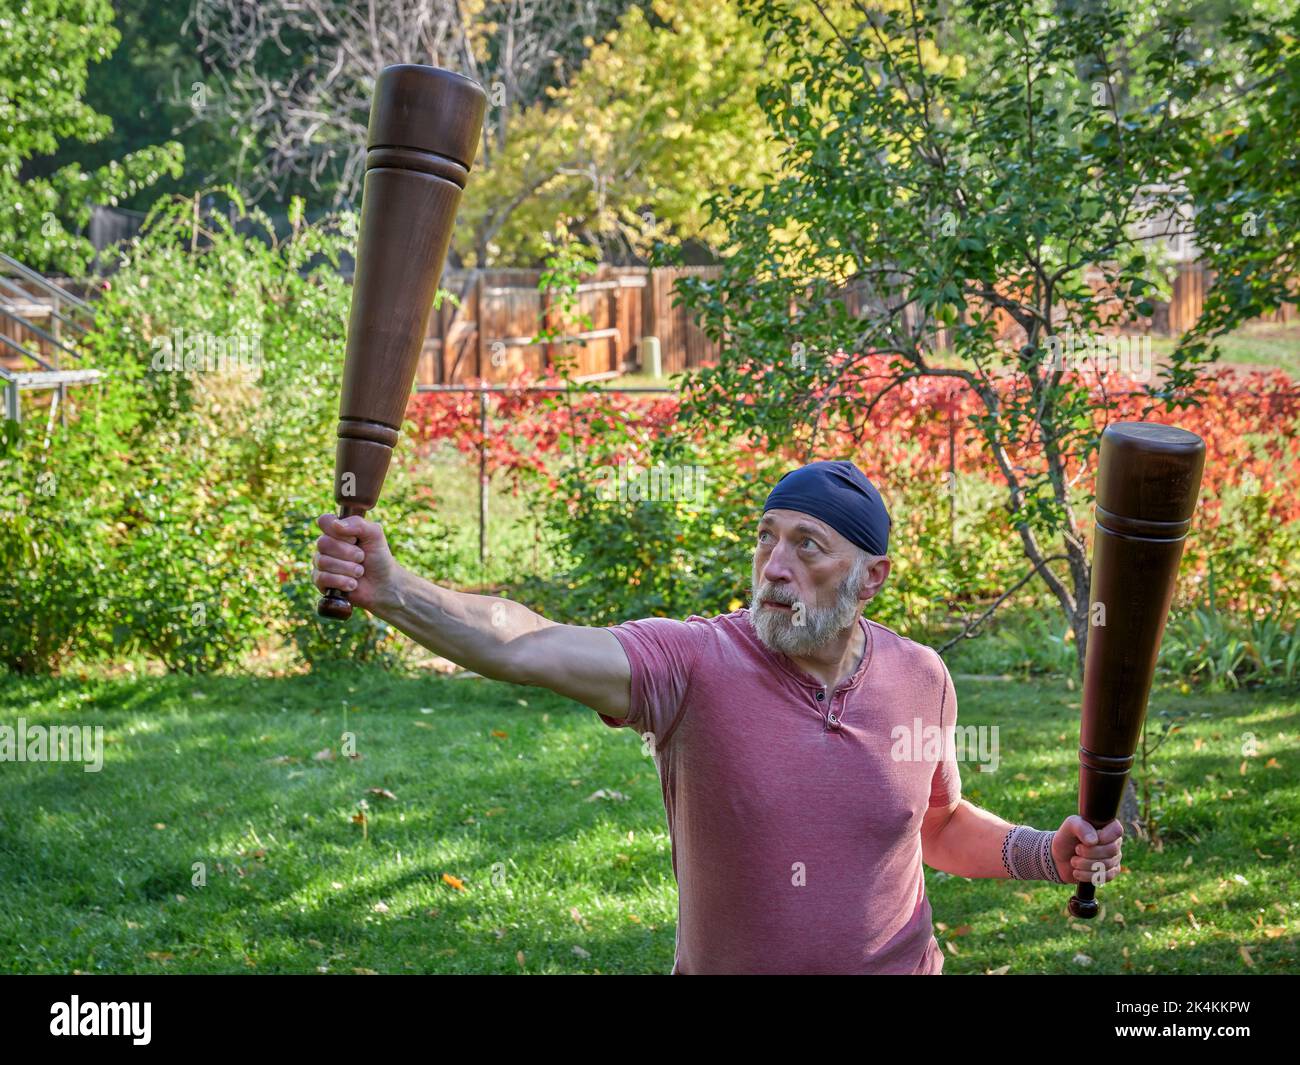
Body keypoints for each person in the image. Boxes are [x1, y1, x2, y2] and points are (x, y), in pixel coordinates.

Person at [312, 459, 1123, 974]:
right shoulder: (693, 664)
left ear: (869, 578)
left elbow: (937, 825)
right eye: (767, 537)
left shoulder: (921, 677)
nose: (775, 565)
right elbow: (524, 642)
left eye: (809, 546)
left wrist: (1044, 854)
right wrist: (394, 589)